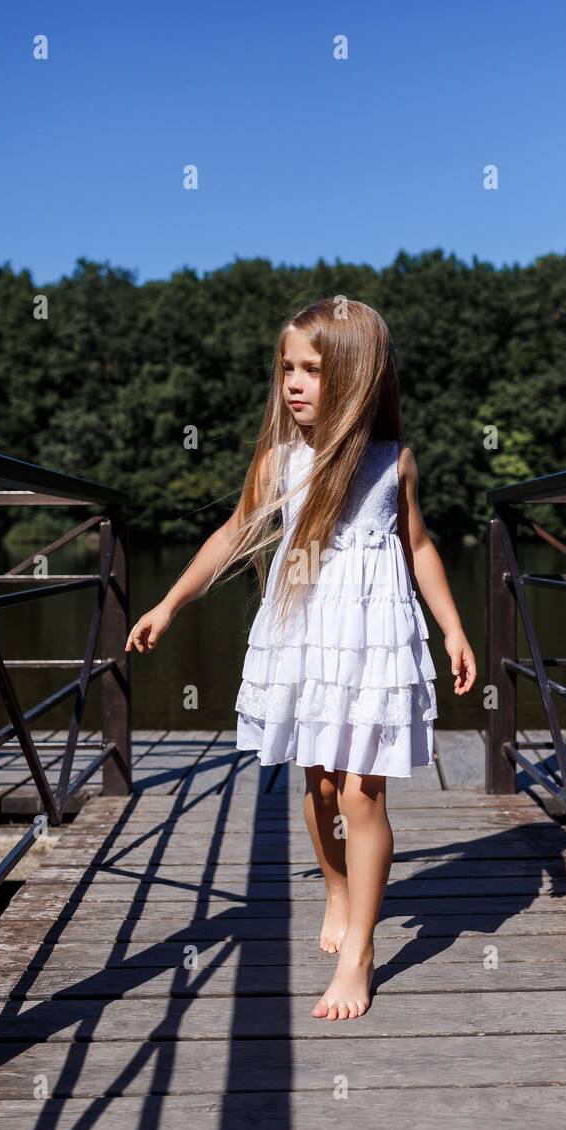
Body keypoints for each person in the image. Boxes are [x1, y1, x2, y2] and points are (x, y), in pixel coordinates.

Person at [126, 298, 477, 1021]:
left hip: (373, 635)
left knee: (360, 791)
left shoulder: (391, 462)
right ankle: (338, 890)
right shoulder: (280, 460)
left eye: (313, 371)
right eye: (287, 368)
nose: (293, 383)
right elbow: (230, 535)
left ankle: (361, 954)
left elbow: (417, 547)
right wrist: (168, 602)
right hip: (306, 637)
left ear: (354, 377)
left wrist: (453, 629)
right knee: (319, 786)